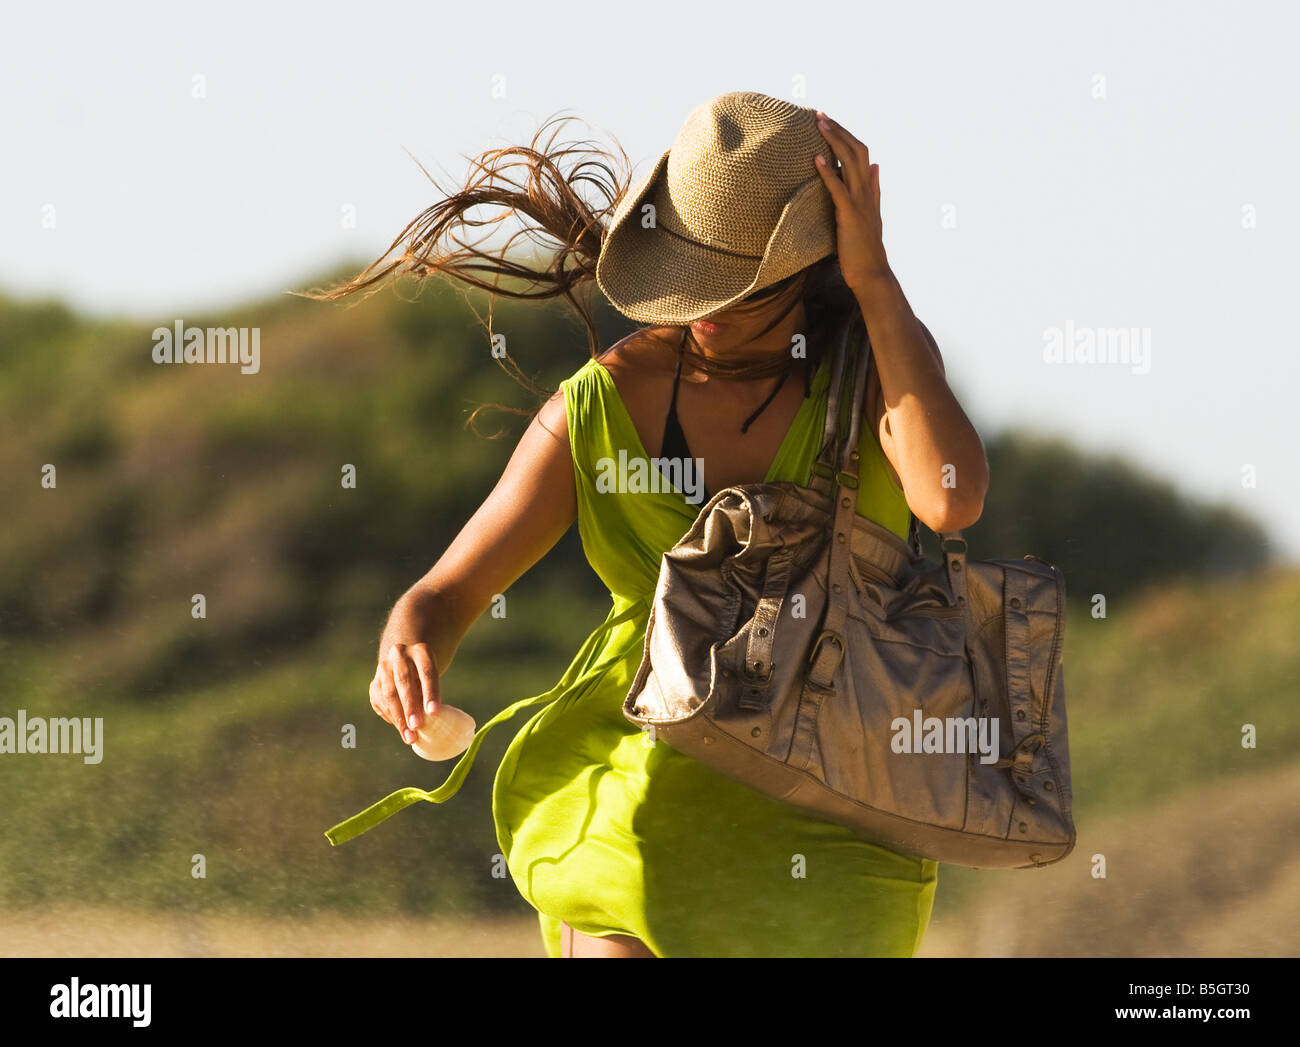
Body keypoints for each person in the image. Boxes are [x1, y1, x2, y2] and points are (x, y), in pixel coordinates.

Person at [312, 91, 988, 957]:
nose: (698, 305)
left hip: (836, 810)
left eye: (735, 286)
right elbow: (448, 590)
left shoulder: (874, 373)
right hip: (638, 788)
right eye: (687, 270)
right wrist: (411, 646)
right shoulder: (600, 402)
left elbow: (950, 497)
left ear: (808, 272)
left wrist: (877, 282)